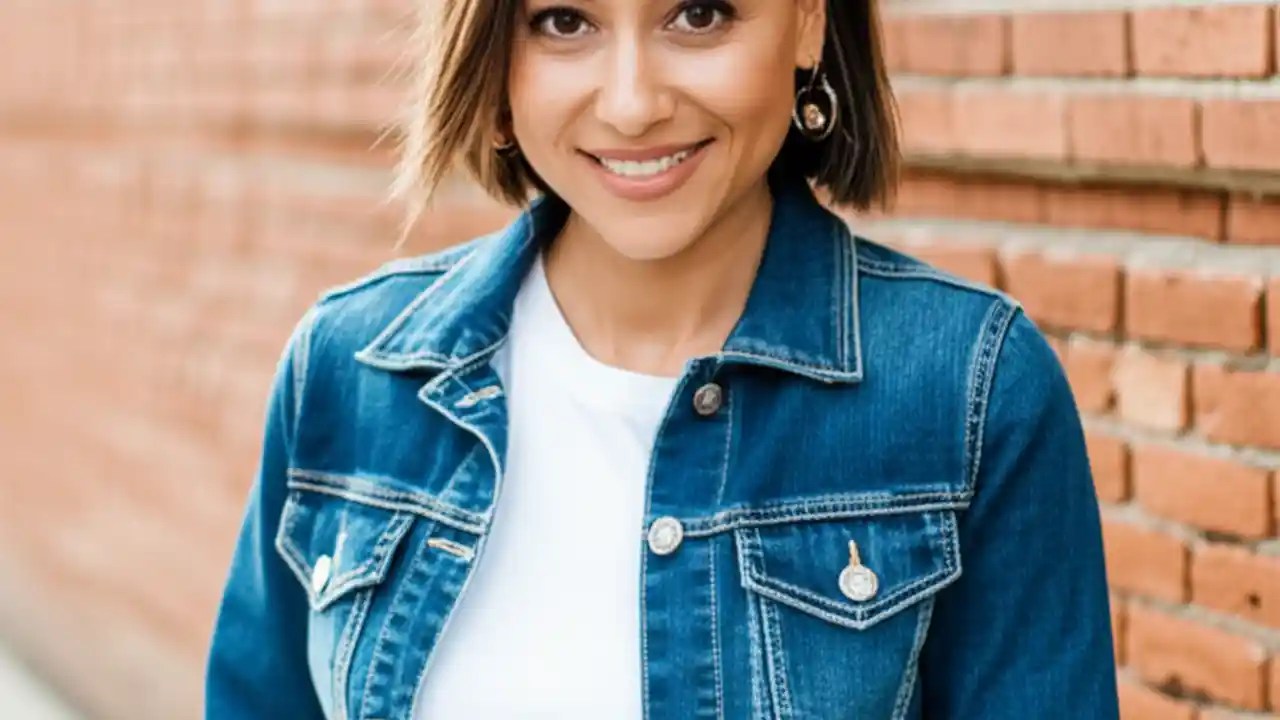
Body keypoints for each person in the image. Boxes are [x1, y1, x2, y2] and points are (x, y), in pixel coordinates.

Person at [205, 0, 1119, 717]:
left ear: (806, 18)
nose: (634, 102)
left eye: (701, 13)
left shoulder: (971, 390)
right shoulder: (351, 371)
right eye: (564, 21)